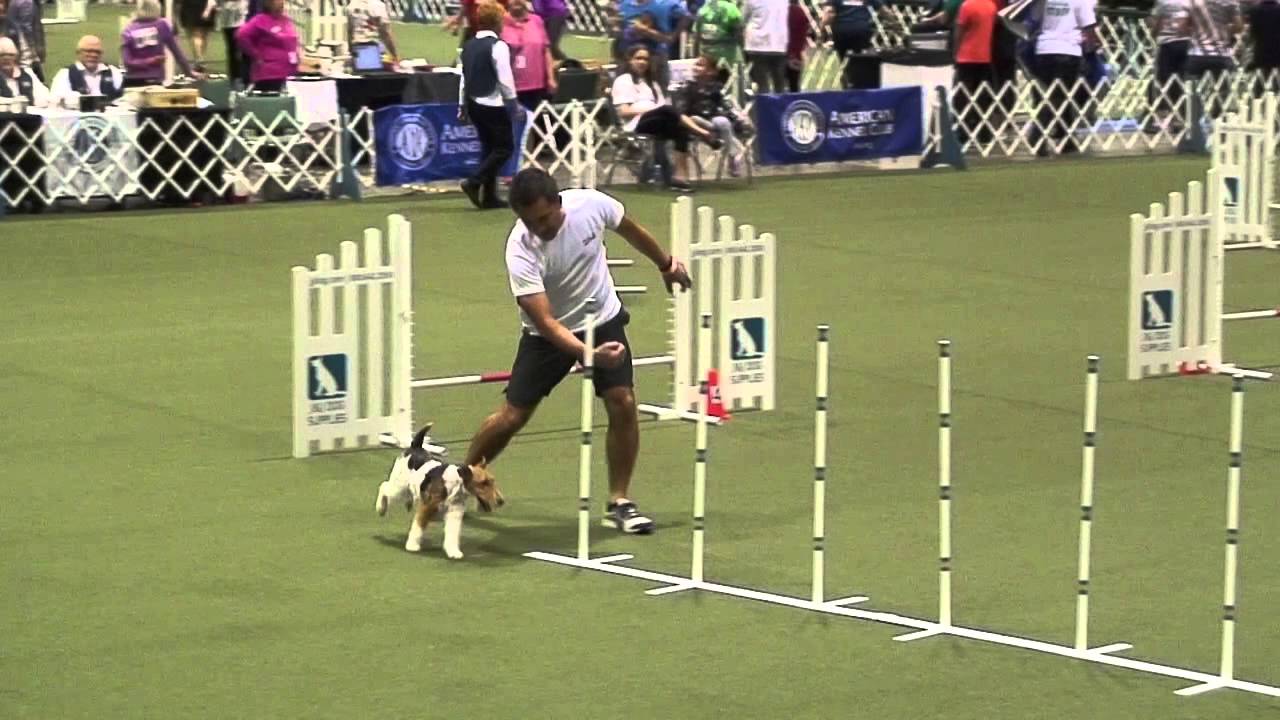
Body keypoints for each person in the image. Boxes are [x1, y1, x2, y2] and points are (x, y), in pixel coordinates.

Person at [463, 167, 693, 535]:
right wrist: (588, 353)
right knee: (512, 417)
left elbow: (630, 229)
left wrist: (665, 264)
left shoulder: (591, 204)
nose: (538, 228)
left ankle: (620, 501)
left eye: (543, 218)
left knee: (623, 401)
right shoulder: (520, 249)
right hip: (547, 335)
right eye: (528, 221)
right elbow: (546, 322)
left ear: (558, 203)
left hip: (602, 316)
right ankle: (461, 479)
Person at [611, 44, 719, 192]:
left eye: (646, 59)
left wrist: (657, 109)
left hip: (658, 120)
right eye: (638, 58)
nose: (642, 62)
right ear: (630, 60)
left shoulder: (652, 83)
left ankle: (680, 177)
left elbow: (664, 108)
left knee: (680, 128)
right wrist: (650, 108)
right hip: (636, 123)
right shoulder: (623, 80)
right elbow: (624, 111)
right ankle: (704, 133)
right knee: (668, 110)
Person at [459, 1, 522, 210]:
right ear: (497, 22)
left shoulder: (468, 46)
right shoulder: (498, 46)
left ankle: (489, 196)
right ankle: (474, 182)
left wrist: (462, 106)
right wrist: (513, 104)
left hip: (473, 102)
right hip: (492, 103)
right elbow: (505, 78)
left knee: (488, 149)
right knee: (505, 148)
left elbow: (463, 79)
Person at [1031, 0, 1099, 155]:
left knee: (1059, 95)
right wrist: (1093, 45)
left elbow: (1035, 17)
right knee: (1058, 97)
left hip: (1044, 49)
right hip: (1068, 49)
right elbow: (1088, 25)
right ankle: (1037, 136)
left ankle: (1066, 138)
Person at [676, 54, 752, 175]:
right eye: (696, 64)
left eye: (701, 65)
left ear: (711, 71)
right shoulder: (688, 87)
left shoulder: (716, 87)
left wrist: (739, 118)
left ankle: (731, 157)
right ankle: (721, 146)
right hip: (696, 124)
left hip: (713, 122)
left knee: (723, 121)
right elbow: (682, 110)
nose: (696, 68)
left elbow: (725, 105)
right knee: (694, 119)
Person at [121, 0, 196, 88]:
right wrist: (189, 72)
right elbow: (177, 52)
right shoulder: (161, 25)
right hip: (154, 79)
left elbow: (127, 61)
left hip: (132, 80)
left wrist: (146, 62)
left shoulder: (128, 29)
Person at [953, 0, 998, 145]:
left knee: (962, 97)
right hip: (984, 57)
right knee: (983, 98)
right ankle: (984, 134)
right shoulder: (991, 6)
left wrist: (954, 53)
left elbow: (959, 32)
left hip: (966, 57)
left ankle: (963, 133)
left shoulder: (967, 5)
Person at [235, 0, 300, 92]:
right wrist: (255, 54)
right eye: (277, 3)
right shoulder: (259, 20)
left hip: (290, 71)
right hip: (270, 73)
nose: (281, 5)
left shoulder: (285, 20)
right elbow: (241, 35)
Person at [503, 0, 557, 109]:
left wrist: (551, 78)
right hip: (510, 87)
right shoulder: (500, 22)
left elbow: (546, 51)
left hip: (537, 86)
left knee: (531, 121)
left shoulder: (537, 21)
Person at [1148, 0, 1190, 131]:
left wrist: (1153, 34)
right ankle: (1180, 118)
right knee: (1182, 82)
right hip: (1186, 44)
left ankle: (1161, 118)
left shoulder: (1163, 1)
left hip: (1167, 44)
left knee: (1162, 81)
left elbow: (1157, 23)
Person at [823, 0, 887, 87]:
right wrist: (894, 23)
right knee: (862, 61)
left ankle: (847, 85)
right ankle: (861, 84)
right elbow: (884, 10)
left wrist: (822, 30)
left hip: (841, 31)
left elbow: (828, 14)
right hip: (861, 31)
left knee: (844, 61)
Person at [49, 35, 124, 106]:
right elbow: (56, 101)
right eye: (89, 51)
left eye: (97, 52)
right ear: (78, 53)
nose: (93, 55)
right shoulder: (65, 73)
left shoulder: (113, 71)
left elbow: (125, 97)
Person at [744, 0, 789, 93]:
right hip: (778, 44)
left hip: (757, 45)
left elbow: (744, 18)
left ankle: (765, 104)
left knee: (762, 83)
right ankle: (780, 105)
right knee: (779, 83)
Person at [695, 0, 744, 69]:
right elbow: (739, 33)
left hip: (707, 58)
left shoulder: (704, 8)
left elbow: (696, 34)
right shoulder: (732, 9)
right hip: (727, 59)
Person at [0, 35, 47, 105]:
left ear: (16, 56)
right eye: (2, 55)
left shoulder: (27, 73)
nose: (7, 59)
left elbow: (44, 97)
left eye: (10, 55)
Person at [4, 0, 43, 81]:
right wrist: (33, 47)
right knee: (27, 66)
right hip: (22, 39)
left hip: (12, 36)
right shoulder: (26, 2)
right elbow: (27, 27)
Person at [1248, 0, 1280, 95]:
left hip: (1261, 51)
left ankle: (1257, 101)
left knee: (1261, 79)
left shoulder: (1254, 10)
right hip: (1278, 51)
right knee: (1277, 80)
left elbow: (1253, 33)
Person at [179, 0, 217, 67]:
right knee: (204, 35)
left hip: (192, 7)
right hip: (206, 6)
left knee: (196, 35)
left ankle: (199, 59)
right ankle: (200, 59)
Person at [786, 0, 810, 92]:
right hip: (797, 54)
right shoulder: (801, 12)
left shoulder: (782, 11)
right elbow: (805, 31)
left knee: (779, 84)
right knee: (794, 84)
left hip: (781, 51)